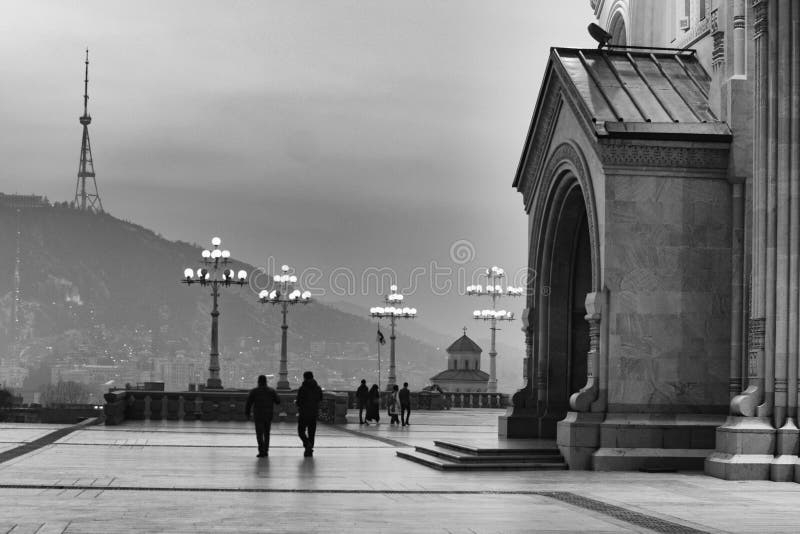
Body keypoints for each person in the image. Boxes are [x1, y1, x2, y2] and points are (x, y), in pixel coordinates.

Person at [244, 374, 281, 457]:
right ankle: (266, 450)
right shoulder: (271, 391)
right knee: (267, 433)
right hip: (268, 415)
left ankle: (261, 451)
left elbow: (249, 403)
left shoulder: (254, 391)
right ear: (266, 382)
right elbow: (278, 401)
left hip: (258, 415)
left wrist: (247, 413)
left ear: (258, 382)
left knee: (259, 434)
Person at [296, 370, 323, 457]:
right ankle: (309, 450)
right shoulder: (318, 388)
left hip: (304, 413)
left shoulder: (302, 388)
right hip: (314, 412)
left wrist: (297, 403)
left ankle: (307, 444)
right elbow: (320, 398)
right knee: (312, 433)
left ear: (304, 377)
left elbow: (299, 401)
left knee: (301, 431)